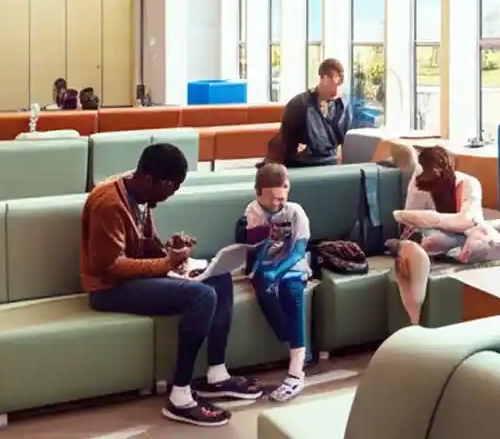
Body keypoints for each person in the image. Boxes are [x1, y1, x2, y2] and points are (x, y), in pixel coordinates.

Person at [81, 143, 263, 427]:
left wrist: (170, 250)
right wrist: (167, 264)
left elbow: (142, 244)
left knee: (220, 276)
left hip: (133, 279)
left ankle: (216, 375)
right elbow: (110, 267)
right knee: (202, 297)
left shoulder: (139, 192)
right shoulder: (109, 203)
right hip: (107, 289)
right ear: (151, 180)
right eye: (172, 186)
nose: (173, 193)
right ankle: (180, 396)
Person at [387, 146, 500, 324]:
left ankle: (448, 252)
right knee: (431, 241)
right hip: (435, 234)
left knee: (496, 247)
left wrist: (432, 218)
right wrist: (422, 220)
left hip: (468, 233)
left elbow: (467, 221)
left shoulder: (469, 184)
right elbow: (411, 218)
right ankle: (414, 314)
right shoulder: (420, 183)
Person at [243, 162, 310, 402]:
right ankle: (295, 343)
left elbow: (299, 251)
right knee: (264, 291)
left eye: (281, 197)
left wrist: (279, 272)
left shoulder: (295, 212)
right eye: (271, 199)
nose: (277, 204)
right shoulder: (253, 211)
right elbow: (253, 250)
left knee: (292, 293)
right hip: (265, 266)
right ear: (257, 193)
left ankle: (296, 372)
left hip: (291, 266)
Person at [277, 58, 350, 168]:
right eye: (335, 84)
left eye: (340, 85)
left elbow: (344, 140)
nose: (337, 91)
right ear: (324, 79)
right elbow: (287, 145)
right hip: (304, 165)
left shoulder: (340, 106)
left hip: (332, 165)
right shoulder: (299, 105)